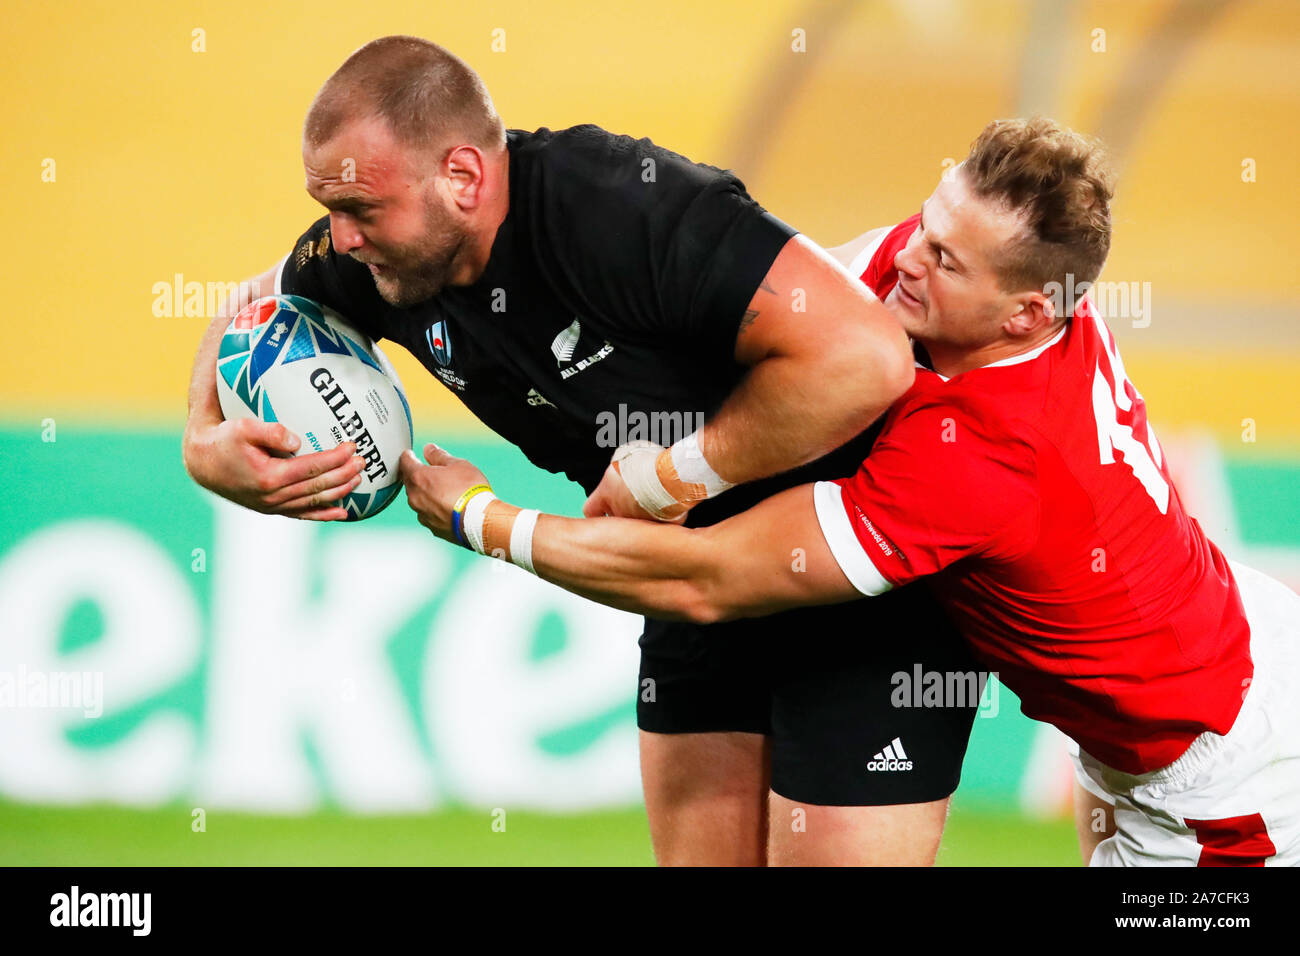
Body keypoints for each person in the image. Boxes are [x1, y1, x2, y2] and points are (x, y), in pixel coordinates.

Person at [400, 117, 1300, 866]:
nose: (910, 257)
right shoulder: (990, 296)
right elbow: (782, 314)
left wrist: (486, 517)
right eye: (925, 224)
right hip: (1183, 682)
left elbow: (702, 579)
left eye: (947, 259)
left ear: (1027, 314)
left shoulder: (977, 460)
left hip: (1224, 772)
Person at [182, 35, 983, 865]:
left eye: (361, 212)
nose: (340, 239)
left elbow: (868, 361)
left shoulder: (625, 208)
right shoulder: (379, 257)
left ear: (462, 177)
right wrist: (205, 446)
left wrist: (676, 473)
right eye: (330, 210)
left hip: (844, 581)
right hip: (679, 580)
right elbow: (249, 306)